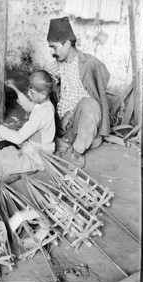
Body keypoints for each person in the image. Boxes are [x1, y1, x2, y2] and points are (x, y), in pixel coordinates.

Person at [45, 16, 110, 168]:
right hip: (62, 124)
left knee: (90, 104)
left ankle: (78, 150)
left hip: (80, 120)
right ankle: (64, 140)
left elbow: (101, 90)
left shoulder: (90, 63)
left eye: (54, 47)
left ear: (67, 43)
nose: (51, 52)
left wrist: (72, 113)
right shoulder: (56, 66)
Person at [0, 71, 56, 178]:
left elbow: (18, 138)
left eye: (31, 93)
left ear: (43, 94)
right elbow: (29, 106)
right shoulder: (45, 103)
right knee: (2, 139)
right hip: (32, 145)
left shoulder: (41, 114)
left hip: (36, 156)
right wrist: (15, 88)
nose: (28, 94)